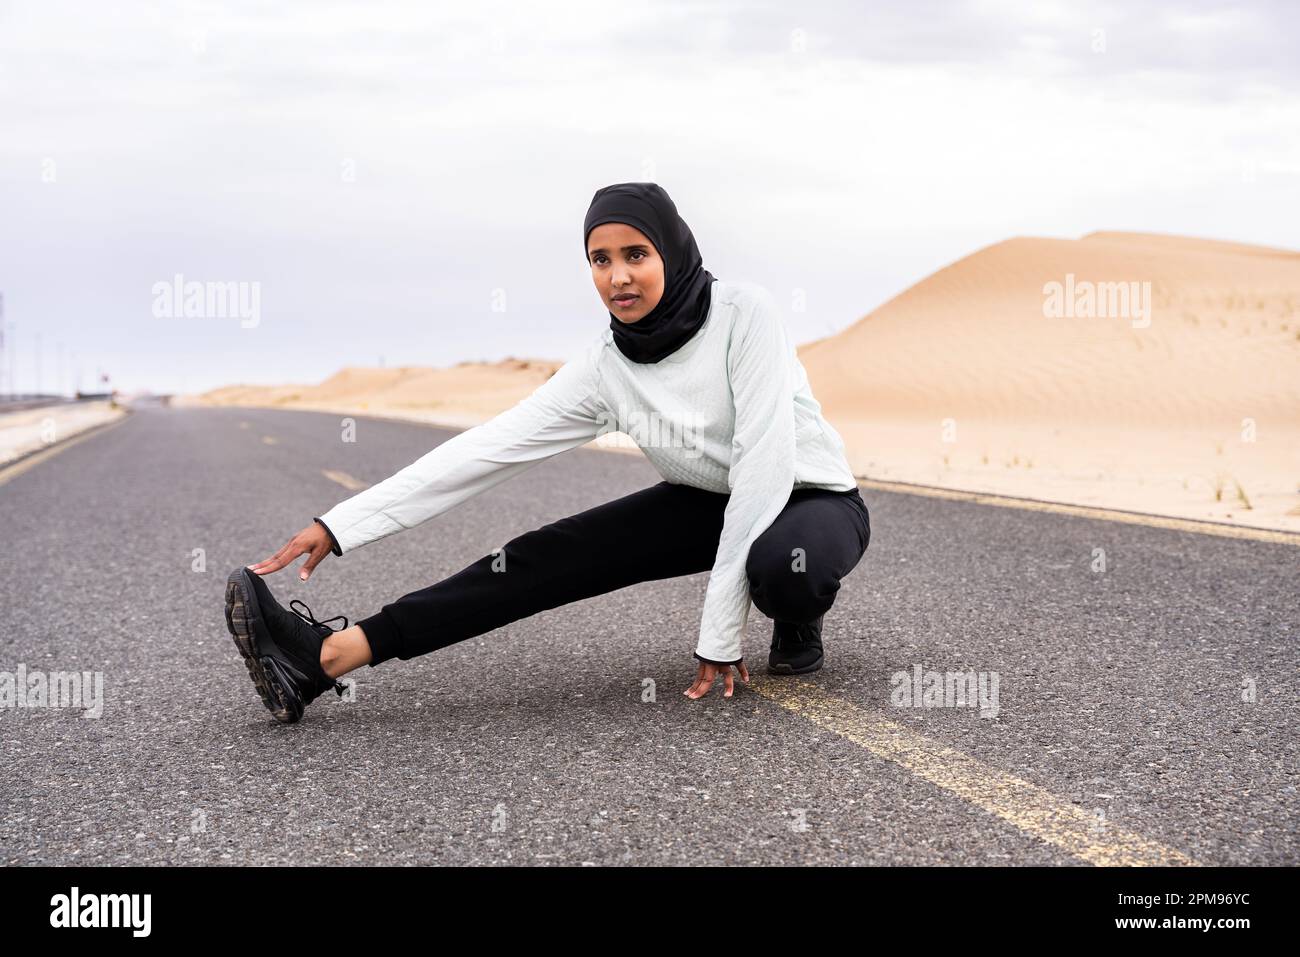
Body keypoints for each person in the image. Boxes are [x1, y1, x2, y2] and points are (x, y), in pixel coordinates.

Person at [224, 182, 871, 724]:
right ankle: (324, 657)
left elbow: (762, 468)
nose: (618, 276)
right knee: (541, 557)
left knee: (783, 567)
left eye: (636, 253)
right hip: (708, 499)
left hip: (809, 494)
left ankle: (796, 619)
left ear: (671, 251)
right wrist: (341, 525)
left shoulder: (743, 315)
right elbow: (486, 450)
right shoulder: (605, 366)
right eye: (599, 259)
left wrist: (719, 631)